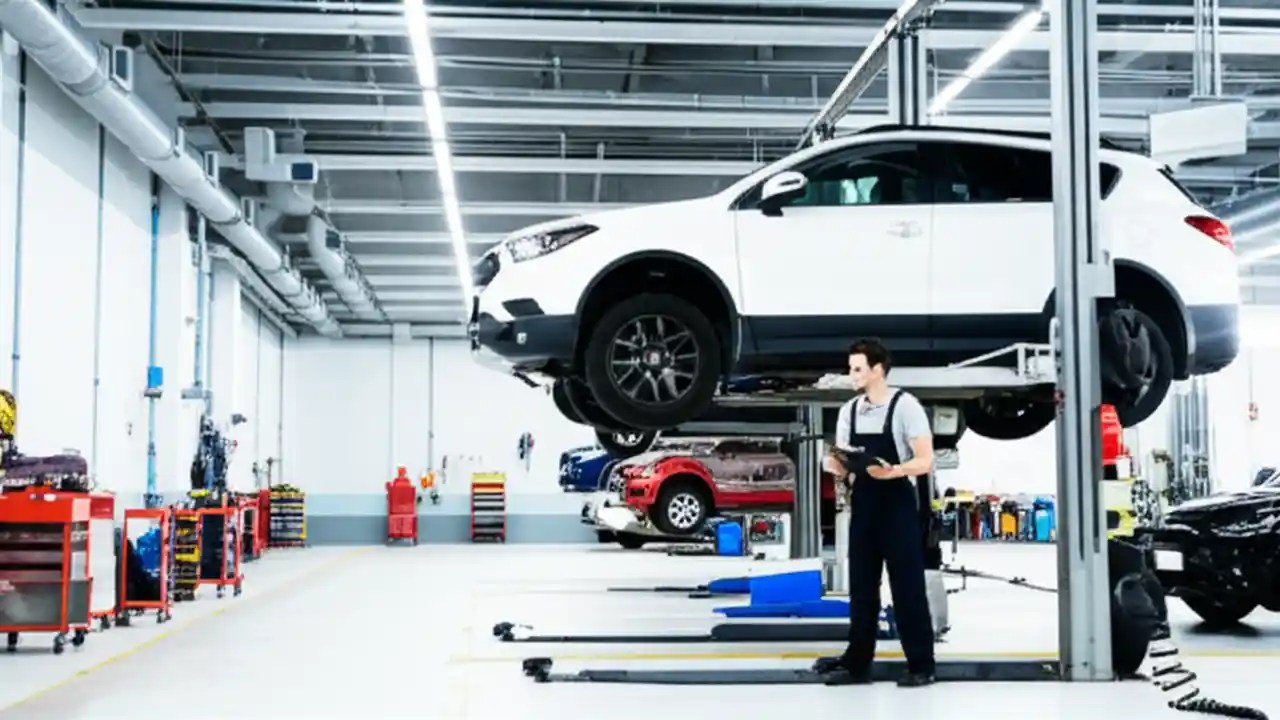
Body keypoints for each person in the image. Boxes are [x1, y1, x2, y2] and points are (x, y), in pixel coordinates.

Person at [821, 338, 937, 688]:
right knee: (862, 588)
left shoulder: (906, 406)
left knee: (907, 588)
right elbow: (840, 459)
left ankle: (922, 664)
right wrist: (834, 464)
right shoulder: (850, 411)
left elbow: (925, 460)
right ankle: (857, 663)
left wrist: (894, 471)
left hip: (898, 505)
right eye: (850, 368)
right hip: (865, 506)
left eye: (857, 368)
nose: (852, 374)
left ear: (877, 370)